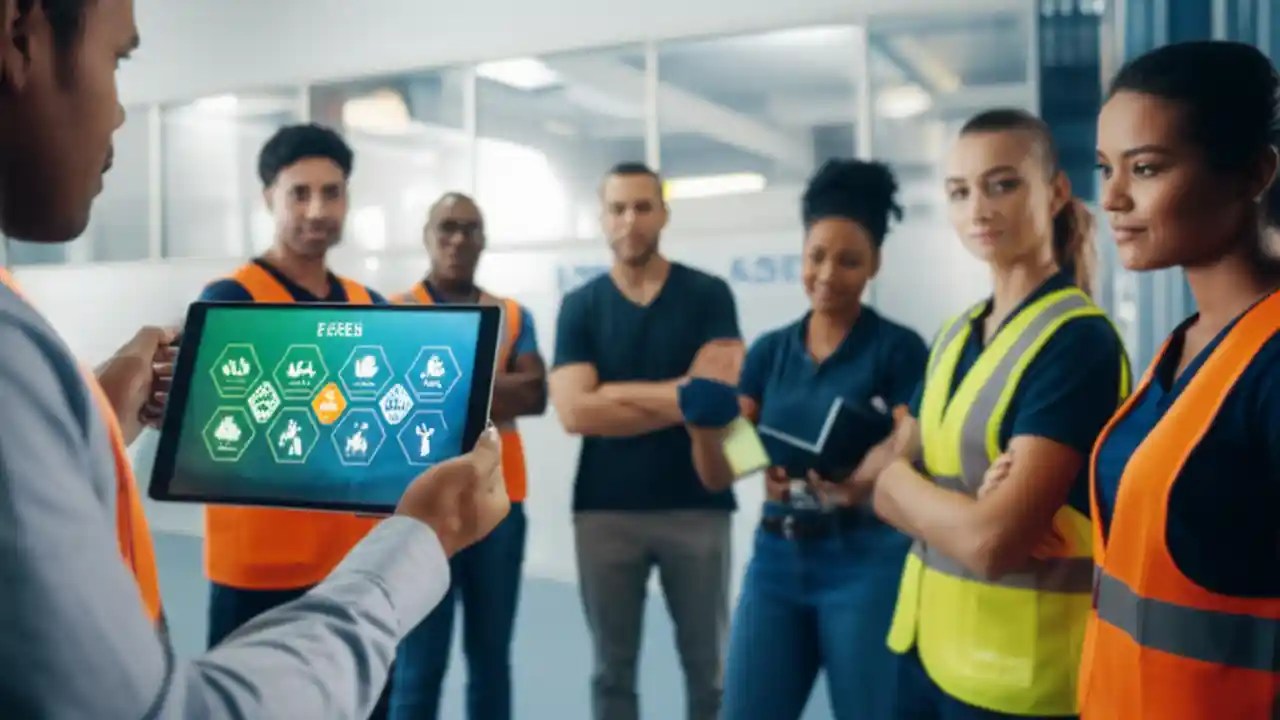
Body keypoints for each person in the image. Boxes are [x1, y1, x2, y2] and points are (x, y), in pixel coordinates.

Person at [0, 1, 508, 718]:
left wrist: (97, 419)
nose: (316, 209)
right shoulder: (228, 300)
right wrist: (421, 541)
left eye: (331, 193)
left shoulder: (369, 304)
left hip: (351, 555)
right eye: (299, 193)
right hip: (258, 571)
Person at [853, 108, 1131, 720]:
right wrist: (909, 484)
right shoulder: (955, 335)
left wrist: (904, 483)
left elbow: (990, 544)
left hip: (1016, 679)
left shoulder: (1076, 341)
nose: (977, 207)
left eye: (1002, 183)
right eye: (960, 191)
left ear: (1056, 192)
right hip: (924, 650)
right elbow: (884, 484)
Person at [1073, 41, 1280, 720]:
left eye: (1148, 168)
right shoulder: (1185, 344)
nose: (1112, 197)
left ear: (1254, 173)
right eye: (1106, 169)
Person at [681, 159, 928, 720]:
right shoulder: (769, 353)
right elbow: (725, 469)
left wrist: (862, 483)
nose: (827, 273)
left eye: (849, 261)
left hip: (862, 560)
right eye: (816, 256)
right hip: (776, 558)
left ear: (875, 265)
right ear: (802, 254)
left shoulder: (897, 349)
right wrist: (705, 431)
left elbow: (910, 437)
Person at [549, 162, 744, 720]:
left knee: (708, 672)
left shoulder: (709, 295)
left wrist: (613, 396)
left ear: (663, 213)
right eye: (617, 208)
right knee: (612, 673)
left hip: (698, 509)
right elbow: (574, 412)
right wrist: (681, 397)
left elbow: (716, 398)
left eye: (641, 206)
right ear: (601, 218)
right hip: (605, 511)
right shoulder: (581, 306)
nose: (629, 220)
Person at [389, 192, 548, 720]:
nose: (458, 238)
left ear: (484, 240)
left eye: (470, 228)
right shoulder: (396, 311)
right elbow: (396, 394)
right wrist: (491, 386)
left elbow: (536, 395)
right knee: (419, 662)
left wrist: (437, 380)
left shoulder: (511, 313)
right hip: (422, 510)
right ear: (428, 234)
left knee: (490, 658)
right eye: (447, 226)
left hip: (500, 505)